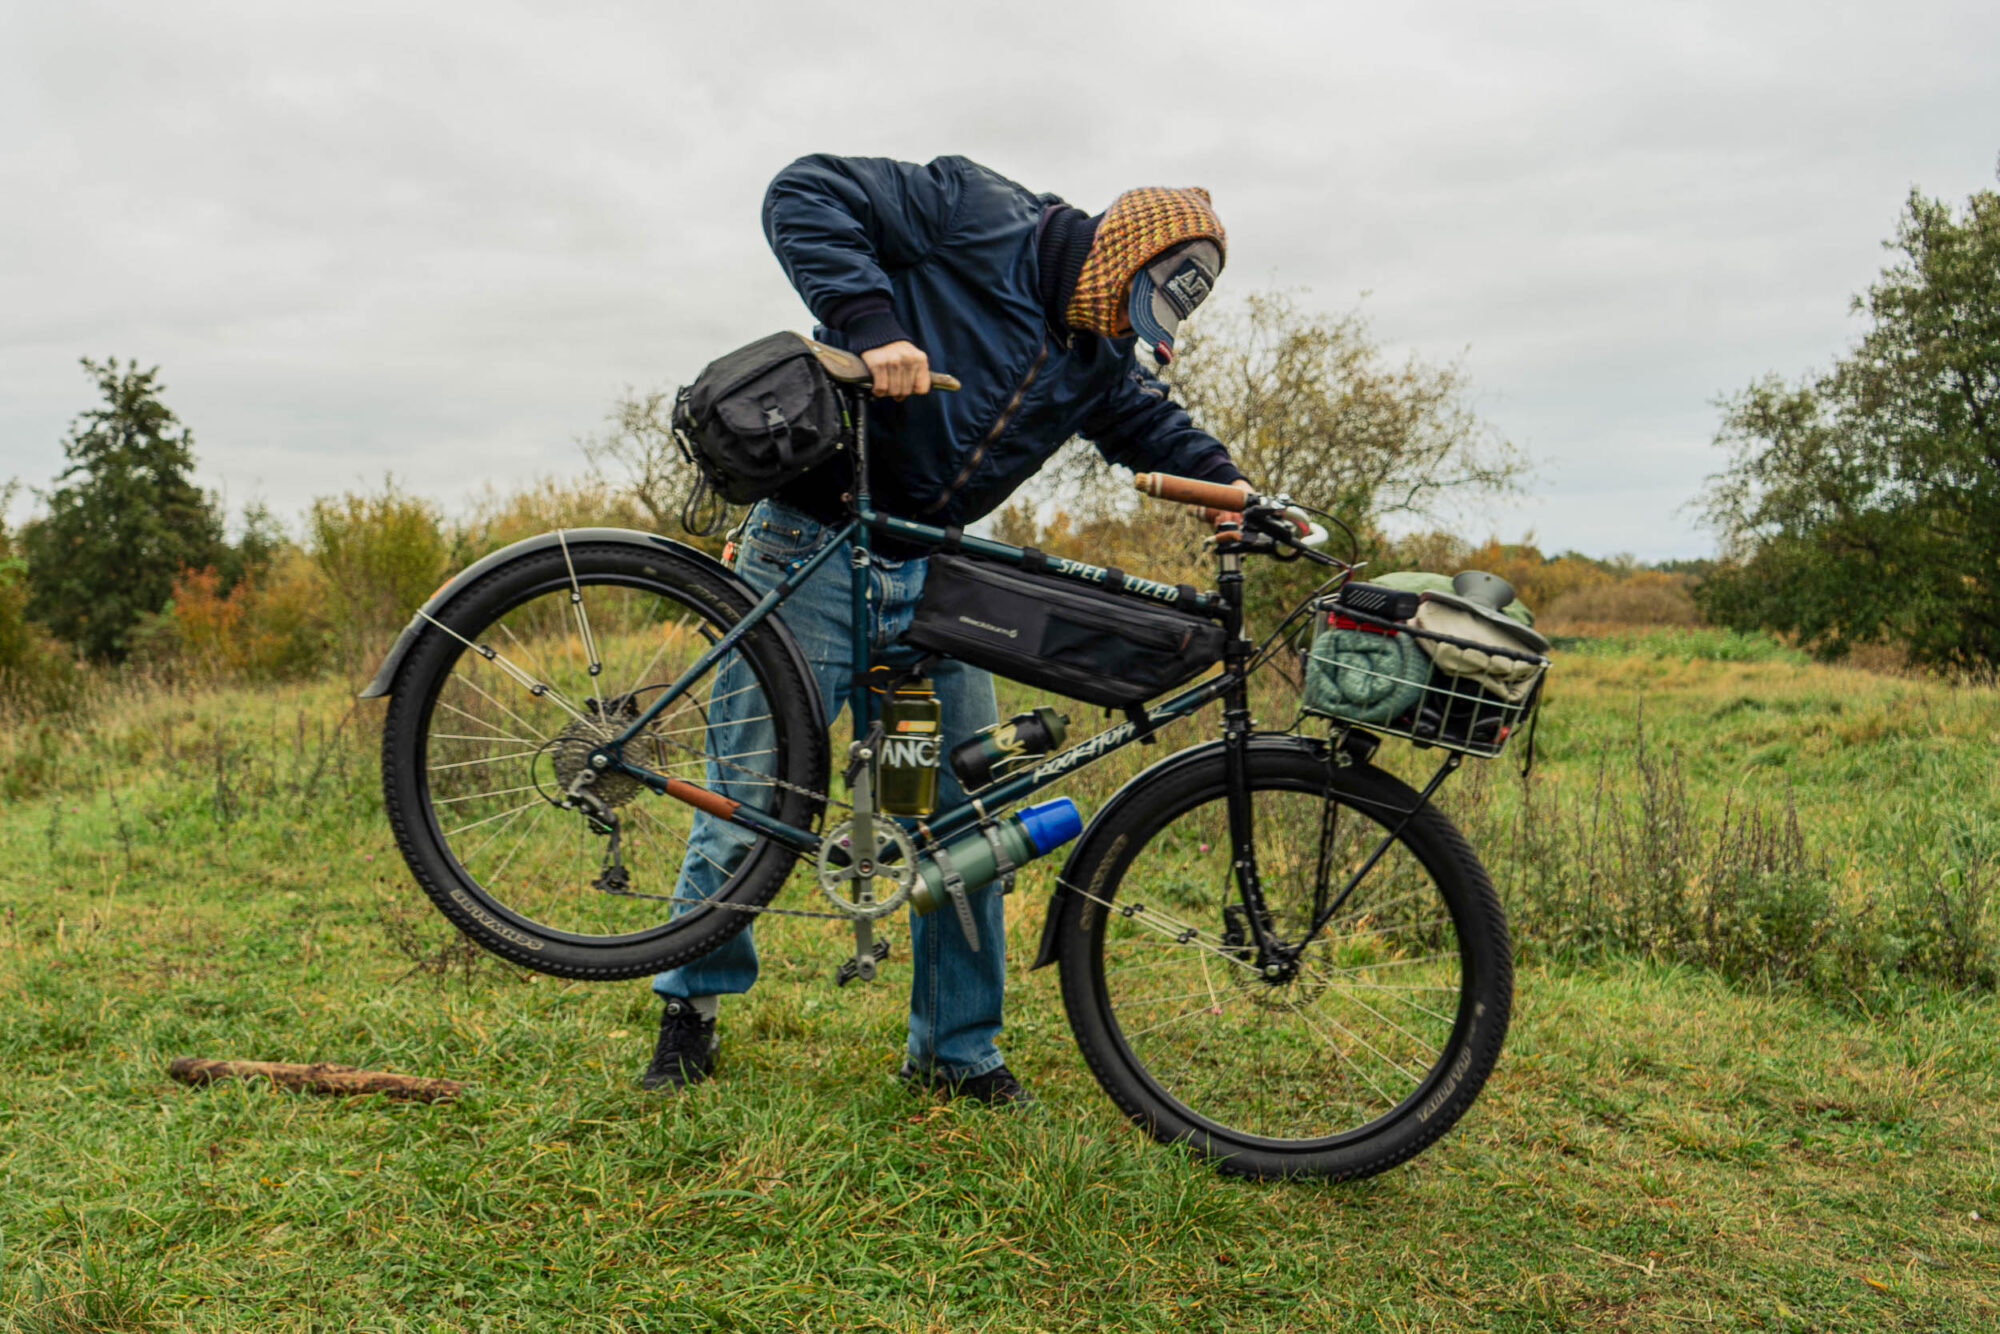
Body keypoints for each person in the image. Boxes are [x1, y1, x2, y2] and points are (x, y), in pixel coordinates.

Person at [642, 154, 1251, 1105]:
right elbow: (804, 194)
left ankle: (956, 1052)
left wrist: (1238, 494)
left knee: (963, 817)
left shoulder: (1095, 359)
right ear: (1114, 257)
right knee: (754, 792)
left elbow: (1147, 423)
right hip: (810, 544)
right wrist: (872, 328)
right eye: (1128, 308)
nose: (1121, 335)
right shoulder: (975, 212)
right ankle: (692, 1009)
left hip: (935, 577)